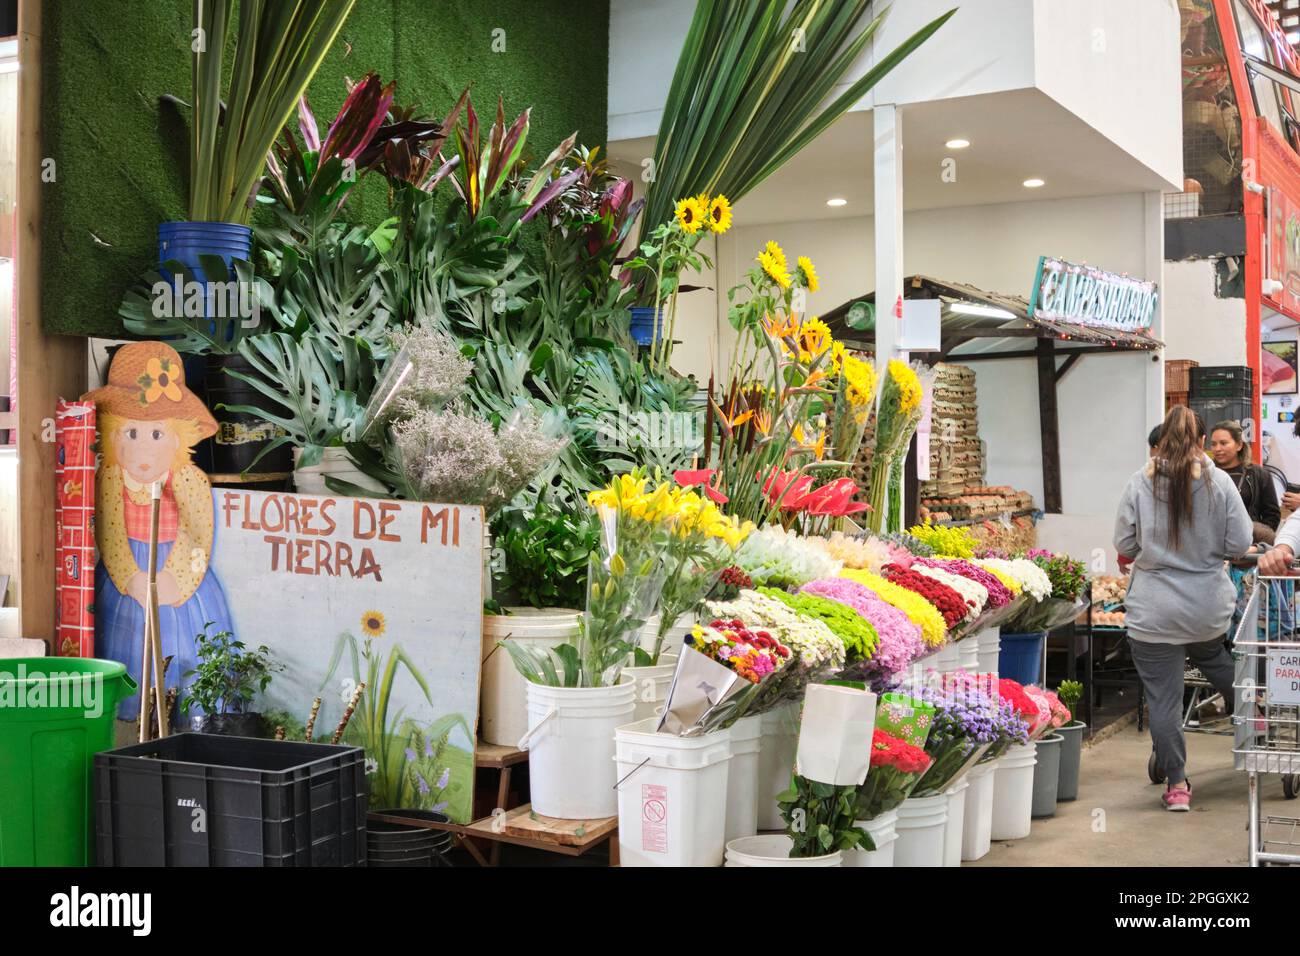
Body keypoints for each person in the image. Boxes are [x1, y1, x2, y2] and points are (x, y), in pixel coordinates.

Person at [85, 341, 235, 720]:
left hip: (180, 583)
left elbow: (197, 534)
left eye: (156, 434)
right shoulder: (109, 478)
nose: (143, 449)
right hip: (127, 582)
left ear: (177, 436)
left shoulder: (190, 480)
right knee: (129, 650)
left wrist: (177, 580)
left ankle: (190, 720)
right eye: (130, 433)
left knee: (185, 654)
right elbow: (110, 532)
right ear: (113, 434)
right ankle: (131, 725)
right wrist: (130, 577)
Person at [1114, 405, 1252, 811]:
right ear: (1202, 442)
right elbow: (1238, 543)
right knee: (1216, 658)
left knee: (1164, 701)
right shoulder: (1221, 483)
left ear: (1162, 441)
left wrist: (1154, 554)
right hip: (1206, 608)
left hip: (1154, 612)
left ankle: (1177, 785)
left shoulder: (1139, 482)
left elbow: (1125, 545)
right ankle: (1253, 716)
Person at [1208, 419, 1279, 542]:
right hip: (1212, 543)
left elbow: (1272, 515)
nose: (1217, 448)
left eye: (1223, 443)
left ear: (1239, 445)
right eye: (1214, 444)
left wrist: (1257, 542)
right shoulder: (1206, 473)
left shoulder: (1259, 474)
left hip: (1249, 546)